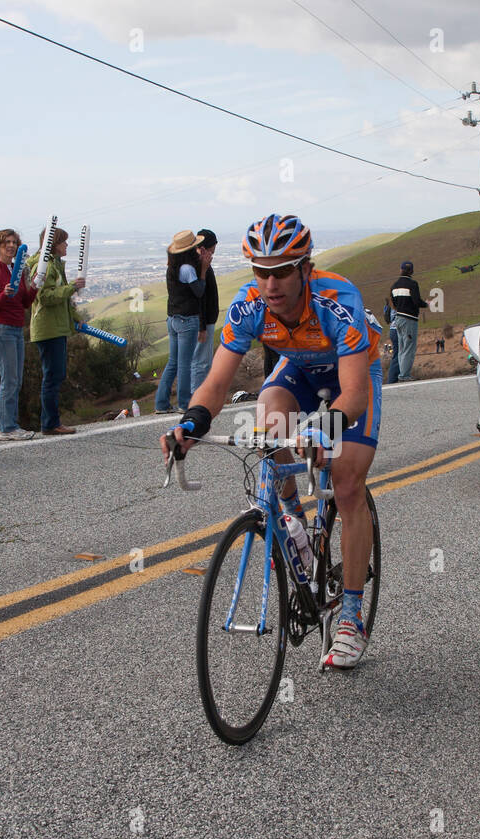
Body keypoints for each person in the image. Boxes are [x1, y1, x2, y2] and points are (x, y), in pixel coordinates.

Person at [161, 213, 384, 669]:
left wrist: (327, 427)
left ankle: (352, 617)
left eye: (281, 271)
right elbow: (217, 382)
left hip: (353, 376)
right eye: (260, 271)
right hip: (299, 369)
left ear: (305, 268)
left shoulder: (338, 299)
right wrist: (191, 423)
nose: (270, 283)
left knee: (344, 485)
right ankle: (294, 523)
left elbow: (355, 395)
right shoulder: (249, 304)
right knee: (268, 424)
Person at [26, 224, 84, 435]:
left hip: (56, 327)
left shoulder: (54, 265)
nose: (66, 245)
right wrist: (72, 288)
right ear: (54, 244)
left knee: (55, 375)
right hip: (48, 328)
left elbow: (59, 299)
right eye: (63, 241)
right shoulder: (46, 267)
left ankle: (51, 421)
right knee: (52, 375)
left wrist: (76, 318)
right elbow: (45, 296)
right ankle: (50, 422)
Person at [0, 228, 37, 440]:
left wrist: (34, 287)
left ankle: (10, 425)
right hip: (1, 330)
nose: (11, 246)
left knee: (16, 379)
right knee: (9, 379)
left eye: (14, 242)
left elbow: (24, 303)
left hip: (16, 329)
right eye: (7, 242)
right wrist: (4, 294)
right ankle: (6, 427)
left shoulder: (18, 269)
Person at [154, 230, 207, 414]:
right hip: (187, 319)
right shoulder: (187, 269)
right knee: (185, 364)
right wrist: (204, 270)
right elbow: (199, 291)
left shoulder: (172, 267)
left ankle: (161, 403)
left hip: (173, 318)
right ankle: (185, 403)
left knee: (173, 362)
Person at [386, 260, 428, 382]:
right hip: (409, 319)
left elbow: (393, 303)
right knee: (409, 347)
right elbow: (416, 301)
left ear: (401, 270)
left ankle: (402, 373)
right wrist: (425, 304)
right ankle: (404, 375)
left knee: (401, 348)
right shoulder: (413, 284)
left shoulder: (394, 286)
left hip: (398, 319)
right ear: (412, 271)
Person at [190, 229, 219, 391]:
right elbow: (198, 300)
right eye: (211, 251)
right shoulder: (200, 267)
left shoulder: (202, 264)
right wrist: (201, 327)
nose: (213, 255)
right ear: (203, 249)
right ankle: (196, 396)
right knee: (201, 362)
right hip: (203, 322)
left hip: (206, 321)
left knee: (202, 361)